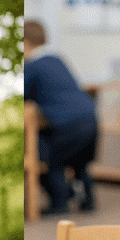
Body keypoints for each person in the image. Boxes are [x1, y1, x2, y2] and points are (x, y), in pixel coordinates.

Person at [23, 18, 98, 215]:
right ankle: (88, 201)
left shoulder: (32, 67)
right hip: (90, 118)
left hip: (68, 125)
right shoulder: (57, 59)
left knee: (50, 159)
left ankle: (59, 204)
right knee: (80, 163)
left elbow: (24, 94)